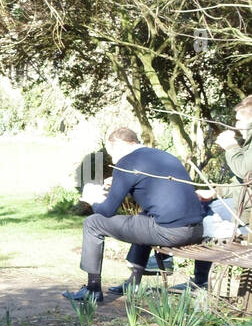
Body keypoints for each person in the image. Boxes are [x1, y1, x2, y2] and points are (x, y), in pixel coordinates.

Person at [64, 128, 206, 303]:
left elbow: (108, 210)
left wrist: (92, 200)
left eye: (112, 154)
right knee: (143, 218)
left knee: (93, 223)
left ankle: (92, 289)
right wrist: (118, 184)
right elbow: (151, 193)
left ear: (116, 145)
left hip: (170, 232)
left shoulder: (127, 163)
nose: (114, 160)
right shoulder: (164, 156)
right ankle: (133, 283)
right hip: (197, 230)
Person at [169, 95, 252, 293]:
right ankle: (194, 277)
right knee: (199, 209)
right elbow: (245, 184)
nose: (235, 125)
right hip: (243, 205)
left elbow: (245, 171)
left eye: (239, 120)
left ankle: (189, 274)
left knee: (198, 215)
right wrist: (215, 192)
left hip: (247, 213)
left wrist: (231, 146)